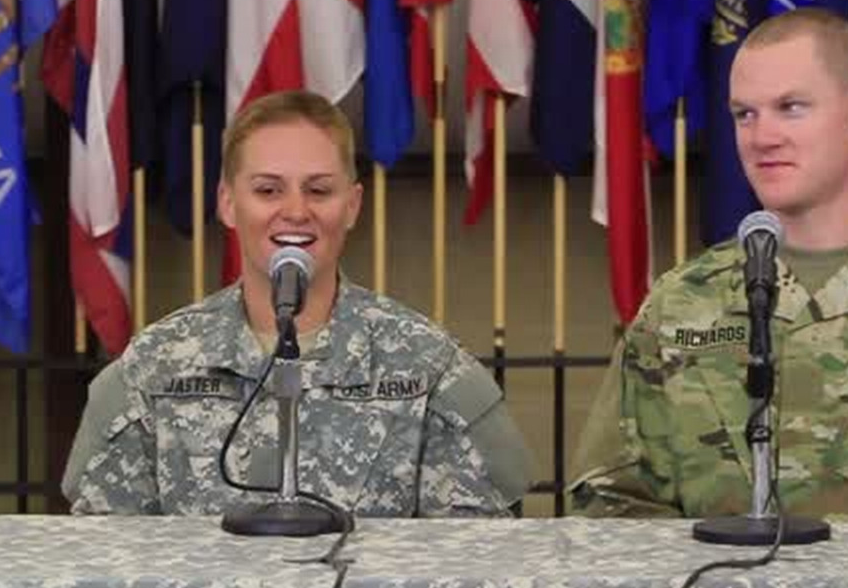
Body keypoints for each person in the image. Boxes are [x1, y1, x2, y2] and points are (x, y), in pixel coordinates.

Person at [571, 8, 848, 519]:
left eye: (791, 107)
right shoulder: (680, 306)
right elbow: (607, 504)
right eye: (744, 114)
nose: (762, 137)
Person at [63, 90, 535, 517]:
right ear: (228, 204)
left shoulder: (429, 365)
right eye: (268, 190)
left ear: (352, 206)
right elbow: (104, 562)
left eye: (319, 190)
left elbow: (477, 564)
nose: (295, 210)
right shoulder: (153, 366)